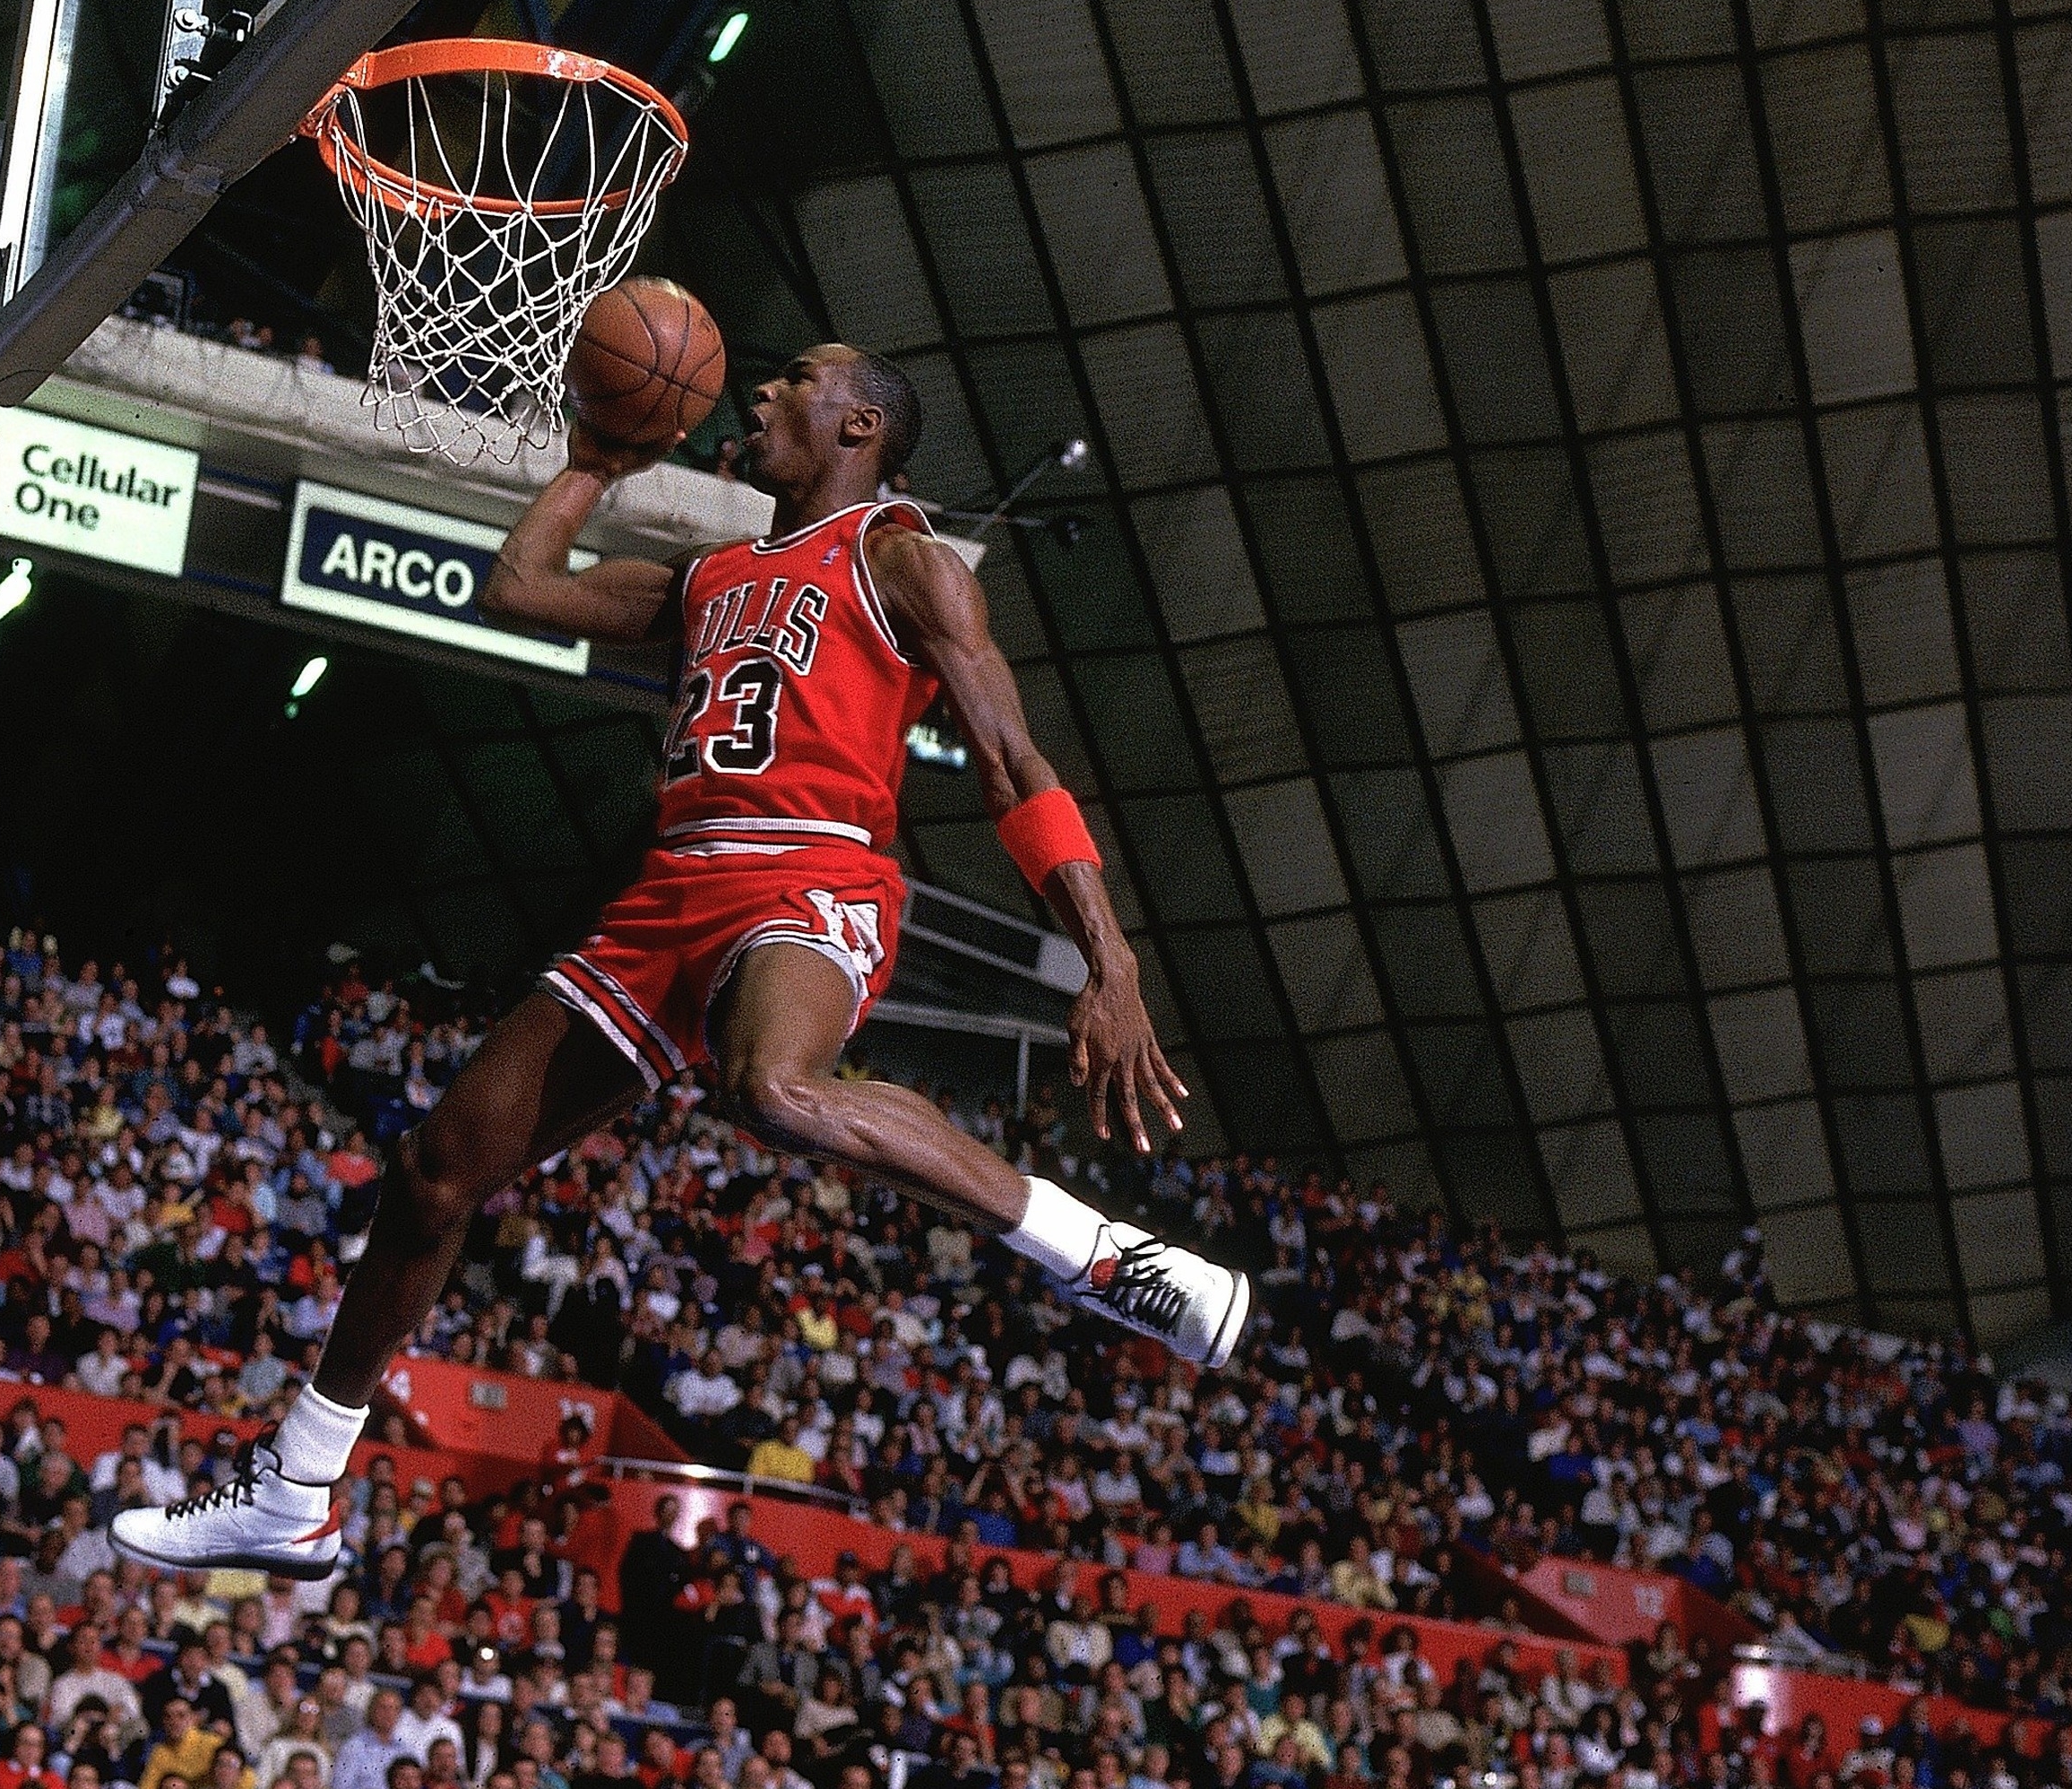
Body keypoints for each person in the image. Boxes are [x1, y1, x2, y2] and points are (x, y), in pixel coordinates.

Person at [109, 345, 1249, 1580]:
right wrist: (591, 464)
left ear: (859, 423)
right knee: (436, 1173)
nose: (757, 392)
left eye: (794, 380)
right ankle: (293, 1494)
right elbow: (520, 589)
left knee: (770, 1086)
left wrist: (1113, 962)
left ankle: (1102, 1258)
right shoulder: (712, 573)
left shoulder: (903, 558)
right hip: (672, 890)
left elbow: (1013, 763)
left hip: (811, 873)